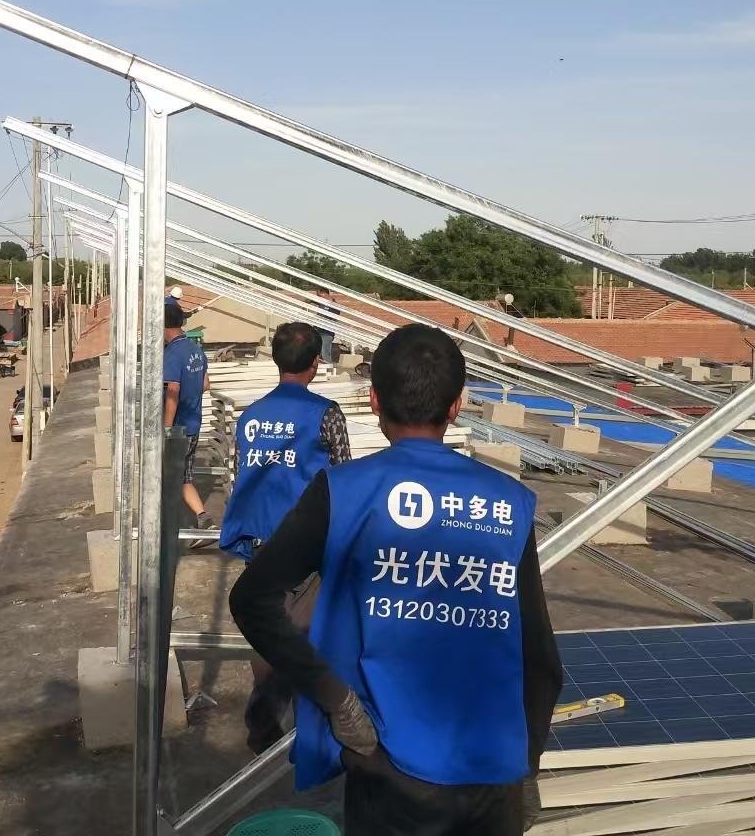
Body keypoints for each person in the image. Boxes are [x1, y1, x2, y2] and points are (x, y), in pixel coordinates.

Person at [230, 324, 562, 836]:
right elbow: (539, 657)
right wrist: (528, 757)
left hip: (386, 764)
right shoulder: (509, 503)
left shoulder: (343, 492)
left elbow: (253, 599)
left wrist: (336, 700)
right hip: (491, 771)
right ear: (457, 406)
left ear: (374, 400)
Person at [220, 322, 353, 753]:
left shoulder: (252, 416)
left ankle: (266, 729)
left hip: (260, 540)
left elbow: (240, 475)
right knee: (304, 635)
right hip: (303, 546)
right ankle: (290, 731)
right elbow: (343, 477)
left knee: (266, 628)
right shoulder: (325, 414)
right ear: (315, 363)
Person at [163, 300, 211, 531]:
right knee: (184, 477)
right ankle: (201, 518)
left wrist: (167, 429)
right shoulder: (195, 350)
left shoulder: (172, 354)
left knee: (173, 477)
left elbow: (172, 391)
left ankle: (192, 522)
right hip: (194, 422)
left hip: (179, 427)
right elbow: (205, 385)